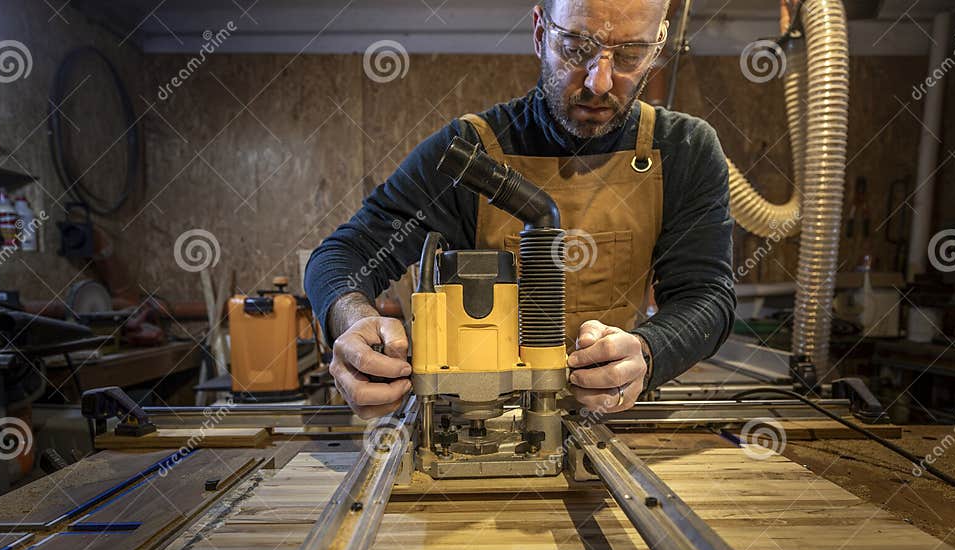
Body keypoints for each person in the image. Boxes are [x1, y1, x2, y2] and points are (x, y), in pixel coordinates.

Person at [305, 0, 736, 419]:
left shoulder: (684, 150)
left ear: (658, 45)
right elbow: (345, 255)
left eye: (630, 54)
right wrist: (355, 320)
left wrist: (647, 352)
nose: (599, 82)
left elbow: (706, 296)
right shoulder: (470, 154)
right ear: (539, 32)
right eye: (576, 48)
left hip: (613, 420)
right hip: (480, 423)